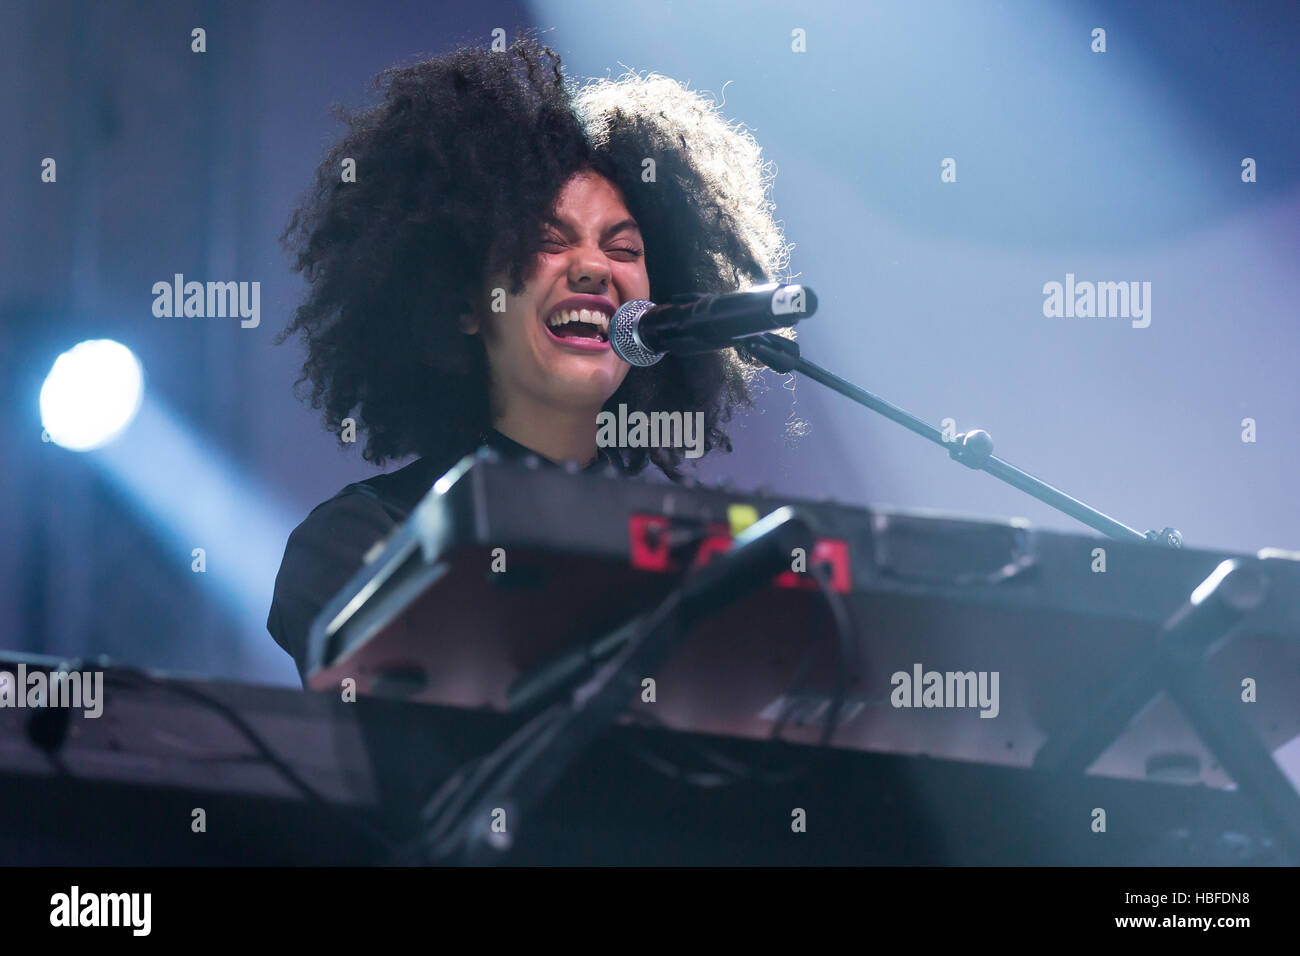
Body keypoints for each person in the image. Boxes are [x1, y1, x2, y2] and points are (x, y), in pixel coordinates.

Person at [267, 37, 791, 682]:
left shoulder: (714, 548)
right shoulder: (361, 537)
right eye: (548, 239)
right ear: (462, 302)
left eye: (624, 249)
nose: (596, 267)